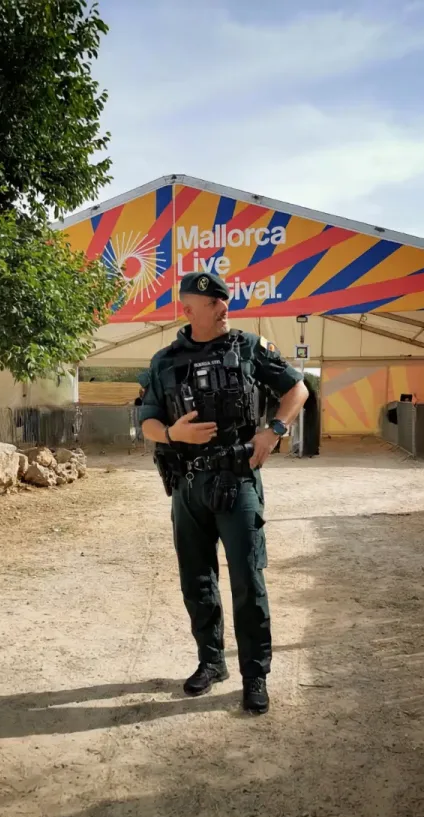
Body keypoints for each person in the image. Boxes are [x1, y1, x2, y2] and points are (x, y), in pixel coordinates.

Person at [138, 272, 308, 714]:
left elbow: (298, 388)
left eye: (224, 301)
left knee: (247, 581)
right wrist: (173, 434)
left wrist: (273, 431)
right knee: (197, 580)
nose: (224, 308)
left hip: (238, 480)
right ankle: (211, 663)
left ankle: (255, 676)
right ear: (190, 309)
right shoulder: (164, 361)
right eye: (214, 303)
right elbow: (148, 422)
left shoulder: (249, 348)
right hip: (188, 487)